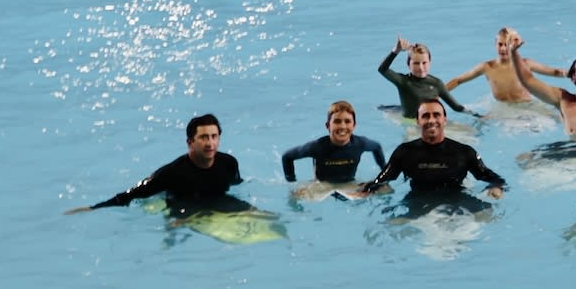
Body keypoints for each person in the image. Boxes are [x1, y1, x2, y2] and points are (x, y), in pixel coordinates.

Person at [66, 113, 243, 212]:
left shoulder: (229, 163)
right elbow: (132, 195)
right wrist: (93, 208)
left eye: (214, 136)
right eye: (203, 137)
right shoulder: (171, 173)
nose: (210, 143)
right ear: (190, 142)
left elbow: (236, 186)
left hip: (216, 200)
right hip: (182, 207)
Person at [351, 100, 506, 200]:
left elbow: (492, 177)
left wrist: (496, 187)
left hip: (457, 201)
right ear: (418, 121)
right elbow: (384, 178)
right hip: (417, 201)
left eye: (436, 115)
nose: (431, 120)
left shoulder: (464, 152)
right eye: (426, 116)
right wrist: (368, 189)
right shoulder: (405, 152)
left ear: (444, 120)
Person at [445, 26, 567, 103]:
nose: (503, 49)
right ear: (495, 45)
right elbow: (458, 80)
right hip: (502, 111)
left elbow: (555, 72)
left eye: (507, 44)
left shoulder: (525, 64)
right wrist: (438, 94)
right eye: (500, 44)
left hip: (527, 108)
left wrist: (573, 73)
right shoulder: (487, 67)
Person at [281, 99, 386, 185]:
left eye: (347, 121)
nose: (342, 126)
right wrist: (292, 182)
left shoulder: (360, 143)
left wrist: (383, 173)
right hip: (322, 186)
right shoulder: (317, 147)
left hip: (349, 184)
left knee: (385, 189)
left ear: (354, 125)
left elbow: (377, 147)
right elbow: (287, 156)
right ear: (328, 126)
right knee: (296, 195)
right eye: (337, 121)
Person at [379, 38, 467, 117]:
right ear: (408, 64)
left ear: (430, 63)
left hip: (430, 120)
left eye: (424, 63)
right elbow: (382, 69)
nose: (421, 68)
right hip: (411, 122)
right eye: (416, 63)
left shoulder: (437, 83)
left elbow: (456, 107)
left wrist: (473, 114)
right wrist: (396, 50)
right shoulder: (403, 81)